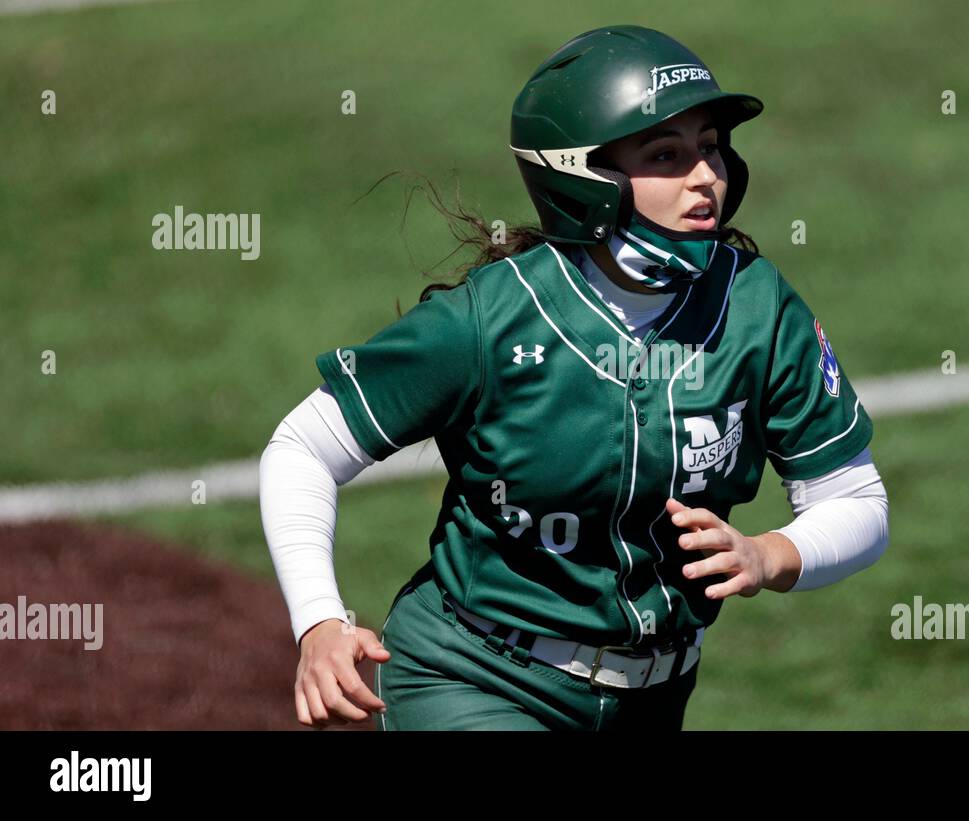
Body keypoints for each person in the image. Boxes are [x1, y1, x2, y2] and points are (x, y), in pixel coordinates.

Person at [258, 24, 890, 731]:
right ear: (581, 175)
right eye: (665, 155)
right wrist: (319, 624)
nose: (705, 176)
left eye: (710, 147)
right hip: (474, 678)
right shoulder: (488, 322)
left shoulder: (758, 307)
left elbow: (857, 500)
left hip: (654, 696)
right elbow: (302, 449)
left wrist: (771, 554)